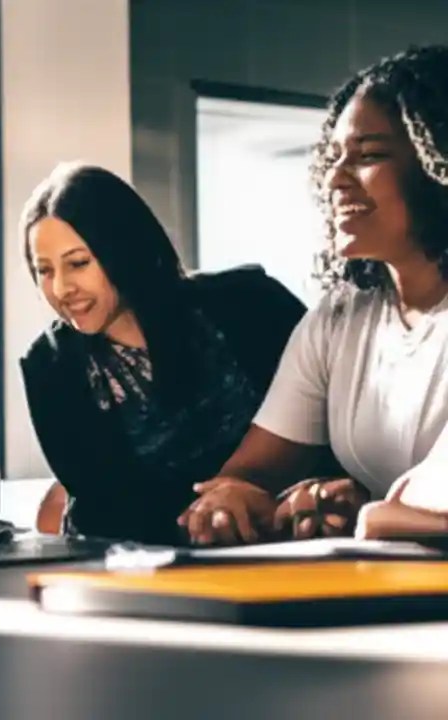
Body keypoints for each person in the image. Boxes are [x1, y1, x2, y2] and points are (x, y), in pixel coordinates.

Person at [182, 45, 448, 546]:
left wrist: (365, 511)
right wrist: (237, 499)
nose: (335, 178)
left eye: (368, 156)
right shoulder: (341, 315)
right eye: (334, 158)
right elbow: (252, 474)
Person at [20, 163, 306, 545]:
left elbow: (322, 414)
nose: (61, 288)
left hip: (289, 533)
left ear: (123, 248)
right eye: (44, 270)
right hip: (141, 555)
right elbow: (104, 508)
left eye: (78, 263)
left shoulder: (250, 302)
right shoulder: (51, 366)